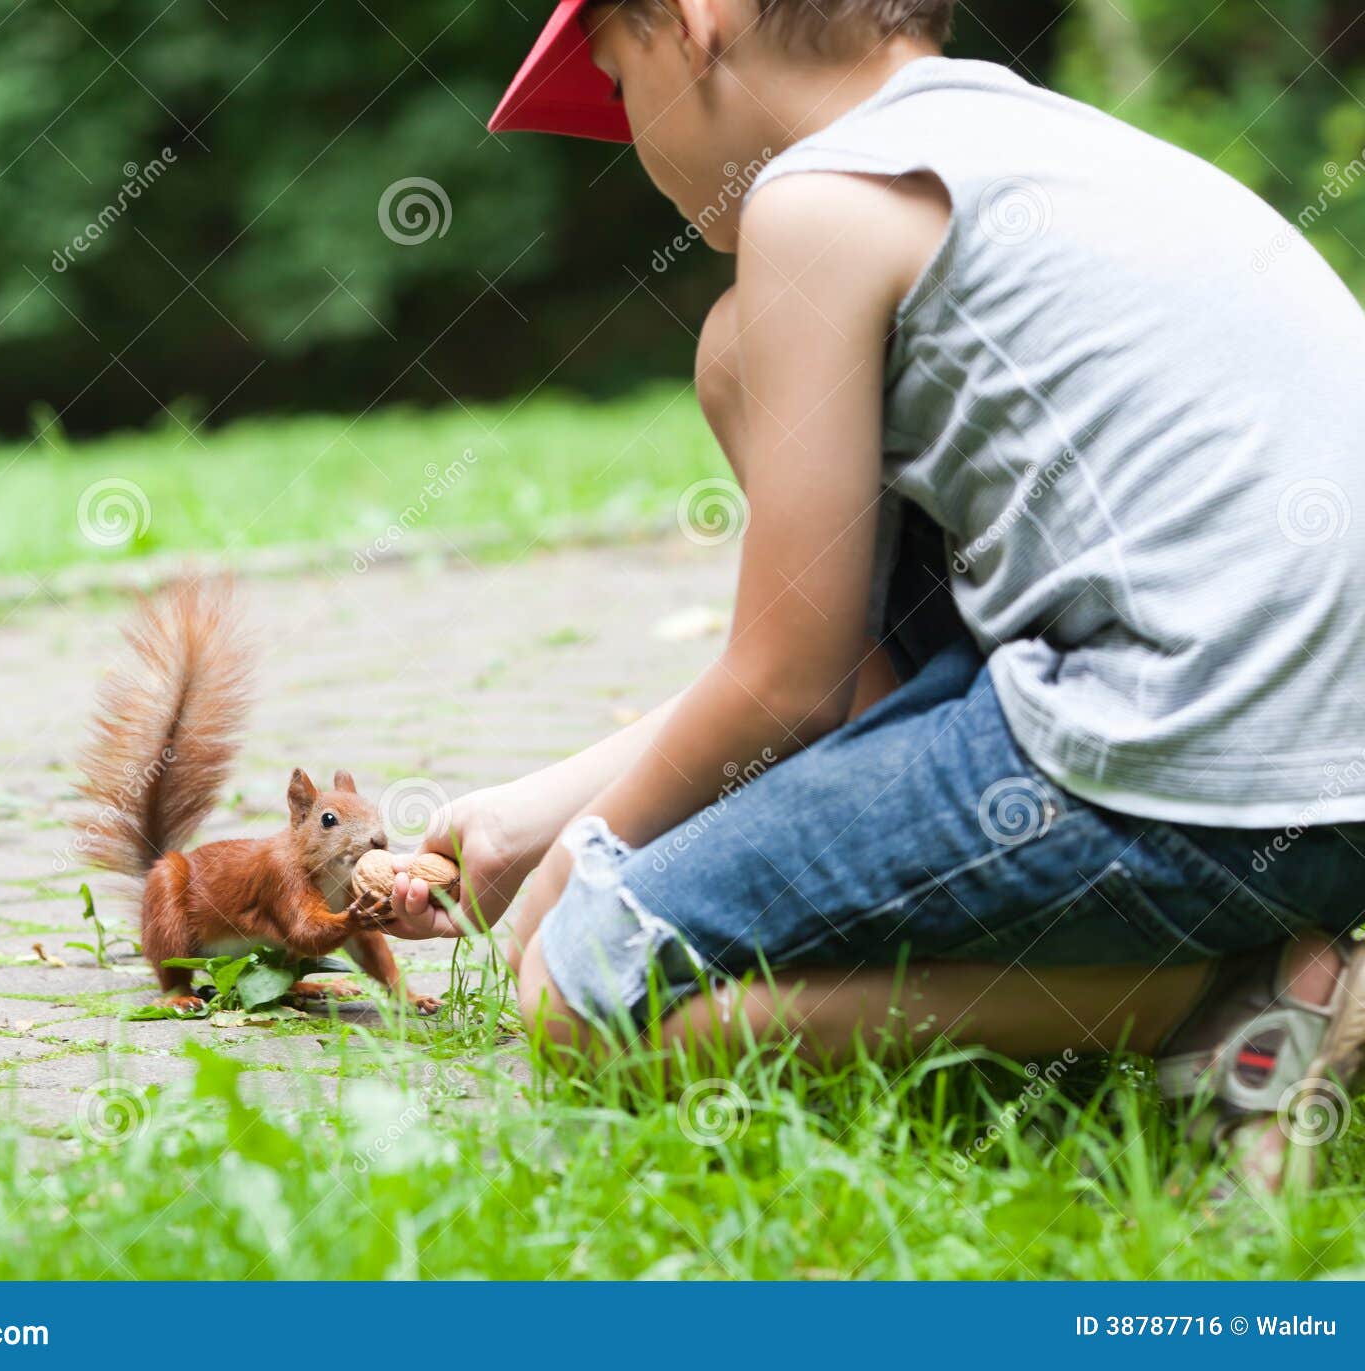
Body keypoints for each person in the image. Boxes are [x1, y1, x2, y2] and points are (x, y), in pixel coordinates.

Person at [380, 0, 1365, 1190]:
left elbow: (787, 686)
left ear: (691, 23)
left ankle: (1232, 999)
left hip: (1182, 768)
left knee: (581, 999)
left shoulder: (817, 199)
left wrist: (581, 865)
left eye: (615, 81)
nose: (628, 142)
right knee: (741, 349)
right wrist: (525, 818)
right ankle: (1233, 967)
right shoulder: (1042, 149)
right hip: (1321, 787)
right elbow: (839, 684)